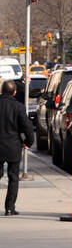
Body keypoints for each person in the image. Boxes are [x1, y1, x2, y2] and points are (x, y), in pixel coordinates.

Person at [0, 78, 34, 215]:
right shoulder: (19, 107)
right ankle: (9, 208)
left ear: (2, 91)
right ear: (14, 92)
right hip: (13, 146)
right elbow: (28, 128)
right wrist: (28, 143)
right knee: (13, 177)